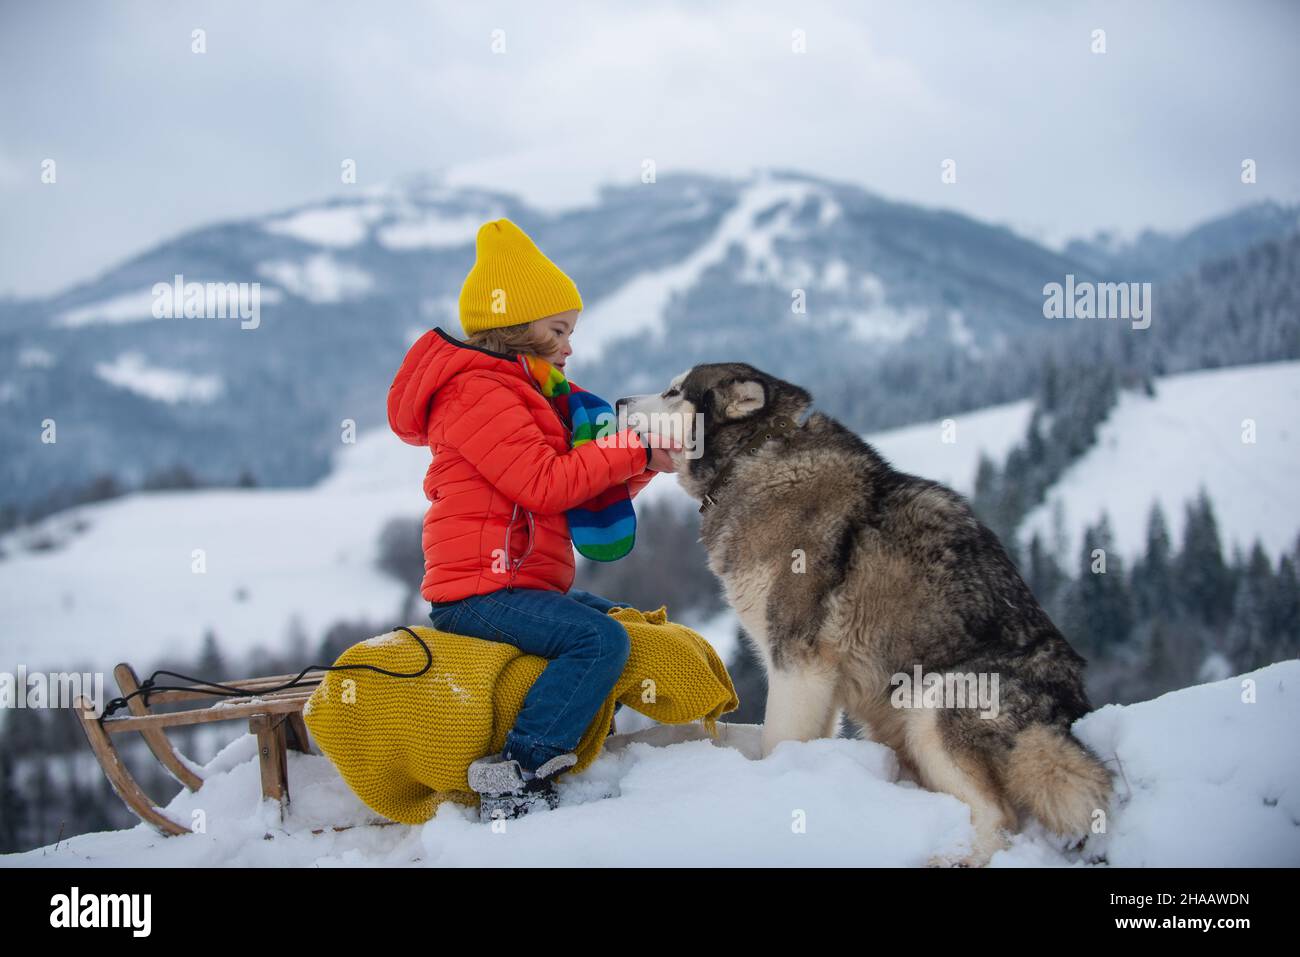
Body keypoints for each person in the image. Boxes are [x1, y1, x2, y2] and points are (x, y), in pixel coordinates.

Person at [386, 218, 678, 820]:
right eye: (558, 329)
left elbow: (574, 480)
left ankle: (602, 746)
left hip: (520, 584)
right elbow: (544, 484)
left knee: (615, 623)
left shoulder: (531, 393)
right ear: (514, 328)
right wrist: (635, 449)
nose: (569, 345)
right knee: (599, 639)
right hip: (480, 591)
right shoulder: (478, 393)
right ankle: (518, 773)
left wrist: (648, 461)